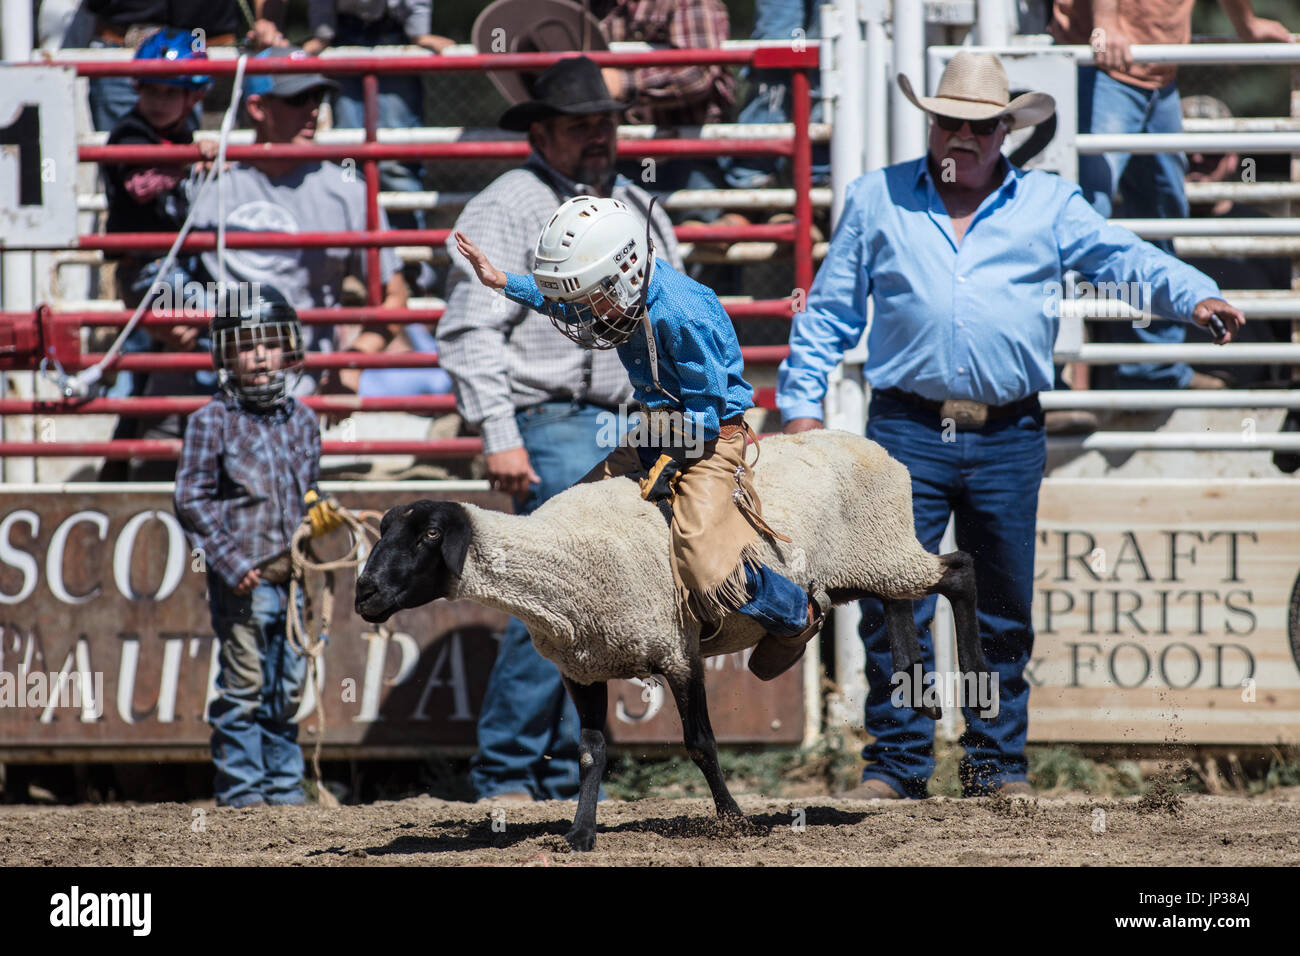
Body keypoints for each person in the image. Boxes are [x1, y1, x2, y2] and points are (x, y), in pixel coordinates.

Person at [777, 52, 1245, 799]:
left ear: (1004, 130)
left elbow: (1124, 259)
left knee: (1000, 606)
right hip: (906, 430)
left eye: (979, 125)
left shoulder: (1049, 206)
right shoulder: (877, 200)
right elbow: (828, 311)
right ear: (932, 124)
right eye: (949, 122)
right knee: (894, 601)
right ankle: (897, 765)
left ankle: (995, 766)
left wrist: (1193, 297)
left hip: (1006, 432)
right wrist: (801, 409)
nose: (963, 137)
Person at [456, 196, 828, 684]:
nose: (582, 314)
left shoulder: (682, 313)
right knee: (576, 506)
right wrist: (505, 282)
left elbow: (707, 411)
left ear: (624, 276)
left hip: (710, 434)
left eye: (589, 301)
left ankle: (792, 613)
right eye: (581, 301)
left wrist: (671, 460)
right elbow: (563, 298)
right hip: (659, 424)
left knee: (701, 555)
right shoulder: (618, 300)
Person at [438, 57, 680, 803]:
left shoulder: (637, 204)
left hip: (627, 424)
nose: (599, 139)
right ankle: (511, 771)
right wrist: (498, 431)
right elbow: (470, 326)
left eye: (606, 124)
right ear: (541, 130)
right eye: (581, 127)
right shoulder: (510, 204)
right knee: (556, 593)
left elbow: (666, 311)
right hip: (552, 419)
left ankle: (551, 772)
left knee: (584, 596)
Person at [116, 45, 408, 481]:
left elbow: (394, 295)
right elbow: (138, 266)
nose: (313, 112)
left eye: (318, 99)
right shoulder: (204, 177)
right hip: (197, 386)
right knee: (160, 509)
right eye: (297, 100)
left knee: (287, 526)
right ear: (256, 107)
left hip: (296, 394)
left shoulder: (346, 189)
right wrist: (161, 319)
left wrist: (351, 364)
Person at [1050, 0, 1290, 392]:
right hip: (1105, 66)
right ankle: (1051, 374)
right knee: (1081, 218)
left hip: (1157, 71)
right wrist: (1106, 21)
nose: (1201, 160)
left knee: (1162, 212)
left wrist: (1245, 24)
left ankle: (1155, 366)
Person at [174, 290, 340, 808]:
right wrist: (230, 561)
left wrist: (319, 510)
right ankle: (244, 794)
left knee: (286, 686)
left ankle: (284, 790)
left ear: (290, 350)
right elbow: (190, 498)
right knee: (244, 686)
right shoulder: (211, 421)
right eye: (247, 346)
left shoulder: (304, 420)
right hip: (245, 579)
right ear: (225, 356)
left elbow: (305, 488)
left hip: (294, 579)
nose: (261, 356)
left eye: (271, 343)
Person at [304, 1, 453, 294]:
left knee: (396, 162)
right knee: (349, 157)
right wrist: (322, 33)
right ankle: (355, 265)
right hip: (343, 34)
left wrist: (417, 33)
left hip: (392, 30)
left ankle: (410, 267)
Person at [99, 29, 216, 403]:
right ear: (137, 88)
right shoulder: (131, 133)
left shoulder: (183, 133)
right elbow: (140, 185)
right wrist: (190, 159)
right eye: (151, 89)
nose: (158, 101)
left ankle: (124, 451)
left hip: (173, 268)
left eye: (170, 92)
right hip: (146, 271)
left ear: (192, 96)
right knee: (222, 319)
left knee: (148, 368)